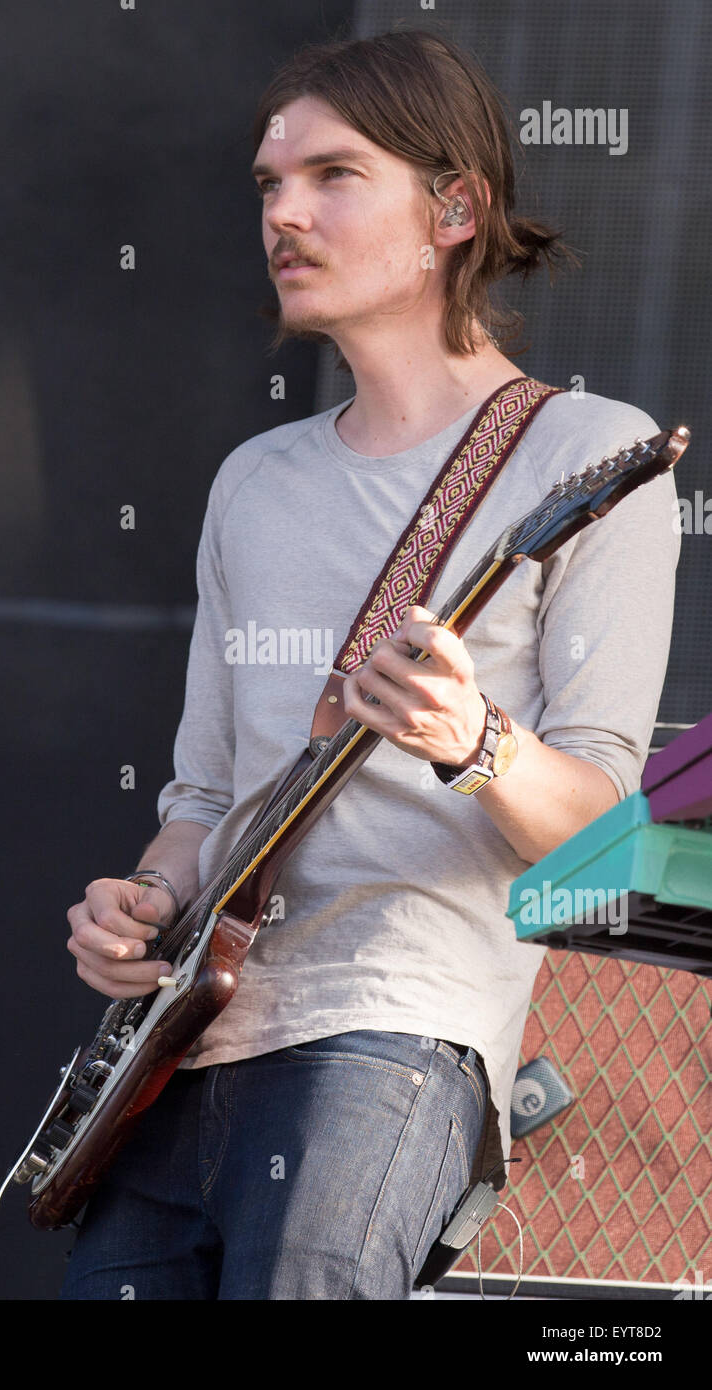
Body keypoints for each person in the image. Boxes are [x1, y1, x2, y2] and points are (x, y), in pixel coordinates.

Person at [59, 29, 680, 1299]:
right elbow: (201, 796)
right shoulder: (255, 482)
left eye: (332, 175)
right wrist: (141, 906)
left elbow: (605, 836)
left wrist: (474, 741)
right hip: (183, 1046)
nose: (283, 212)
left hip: (390, 1033)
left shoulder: (586, 450)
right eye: (266, 184)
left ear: (455, 208)